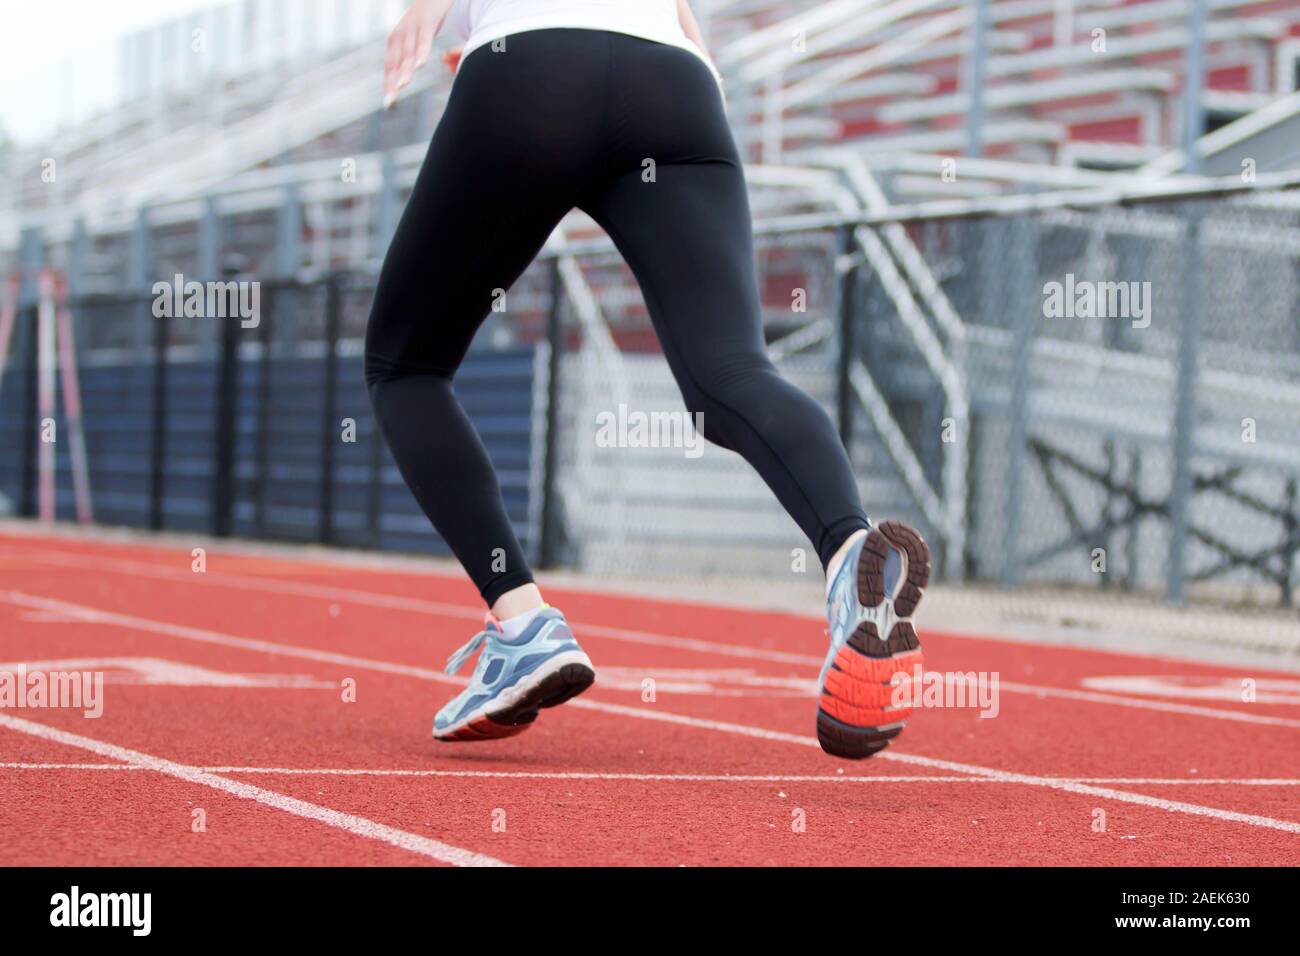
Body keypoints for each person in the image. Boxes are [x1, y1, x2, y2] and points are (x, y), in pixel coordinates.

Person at [365, 0, 928, 758]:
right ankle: (848, 552)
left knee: (407, 368)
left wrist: (425, 15)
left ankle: (523, 623)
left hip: (527, 69)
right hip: (676, 85)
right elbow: (689, 27)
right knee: (731, 372)